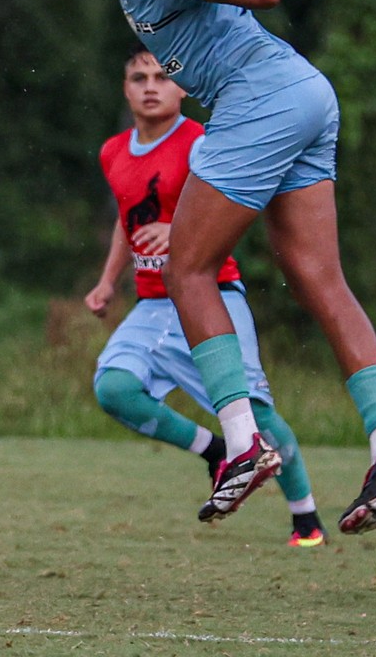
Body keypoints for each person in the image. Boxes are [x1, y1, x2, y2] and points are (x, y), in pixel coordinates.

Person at [59, 0, 376, 535]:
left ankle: (242, 439)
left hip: (258, 100)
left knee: (187, 270)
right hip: (305, 93)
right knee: (318, 278)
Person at [86, 43, 327, 547]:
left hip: (210, 295)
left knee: (257, 414)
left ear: (182, 87)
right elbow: (126, 219)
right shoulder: (113, 151)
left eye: (161, 76)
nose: (151, 86)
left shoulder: (200, 142)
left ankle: (305, 518)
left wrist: (177, 230)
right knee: (114, 388)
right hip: (154, 305)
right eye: (138, 78)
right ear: (125, 89)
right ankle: (214, 451)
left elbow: (233, 207)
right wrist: (109, 280)